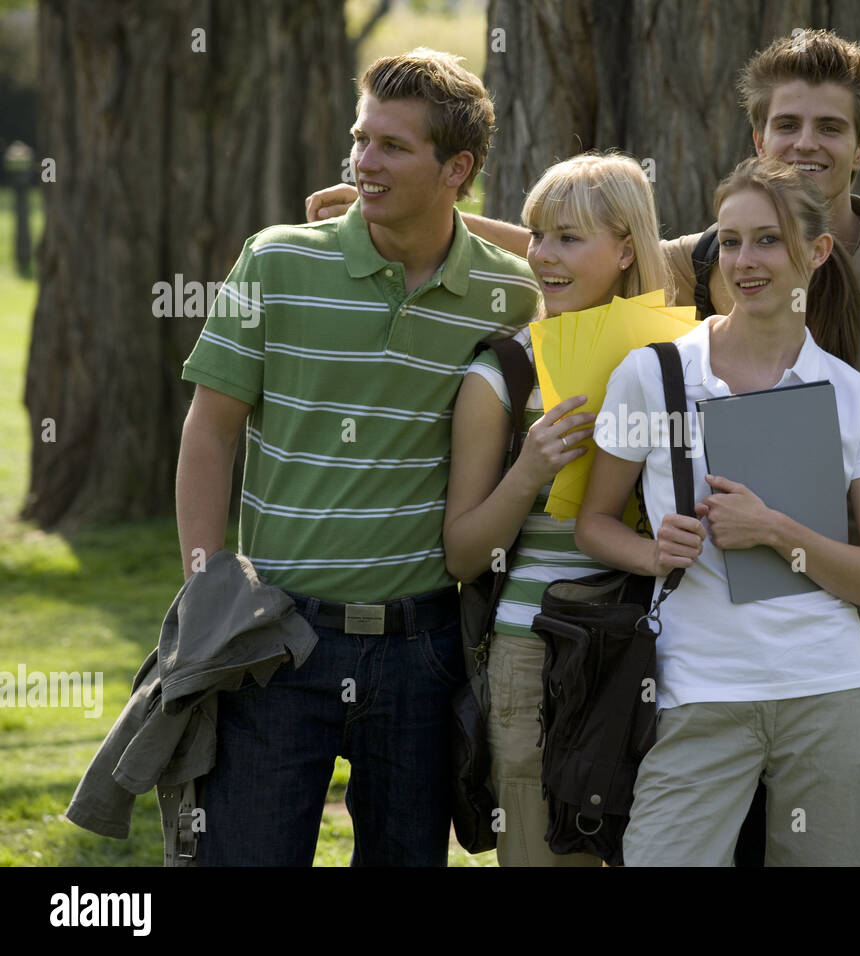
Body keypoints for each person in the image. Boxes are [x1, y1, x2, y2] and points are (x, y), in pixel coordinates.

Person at [305, 29, 860, 867]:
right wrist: (430, 215)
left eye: (830, 127)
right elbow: (588, 245)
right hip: (728, 640)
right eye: (786, 125)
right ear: (760, 140)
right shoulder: (718, 258)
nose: (806, 143)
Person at [176, 49, 540, 866]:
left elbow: (622, 268)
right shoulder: (276, 259)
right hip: (276, 639)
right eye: (360, 139)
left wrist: (465, 224)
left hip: (424, 649)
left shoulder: (510, 294)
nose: (362, 162)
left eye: (391, 147)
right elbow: (210, 427)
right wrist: (205, 584)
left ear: (459, 168)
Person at [574, 157, 860, 866]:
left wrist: (776, 532)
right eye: (730, 241)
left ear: (818, 253)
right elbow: (594, 523)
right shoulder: (657, 375)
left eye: (768, 240)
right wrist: (652, 552)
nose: (744, 261)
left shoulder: (853, 398)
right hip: (698, 686)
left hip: (829, 690)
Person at [443, 152, 671, 866]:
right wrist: (529, 470)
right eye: (536, 234)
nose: (541, 255)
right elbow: (462, 554)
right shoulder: (501, 375)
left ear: (628, 248)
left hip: (660, 649)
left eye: (568, 238)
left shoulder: (682, 354)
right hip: (537, 657)